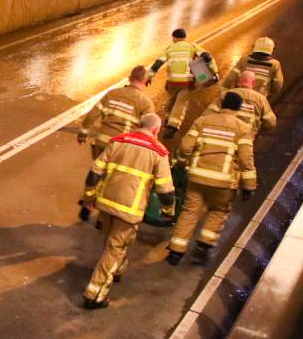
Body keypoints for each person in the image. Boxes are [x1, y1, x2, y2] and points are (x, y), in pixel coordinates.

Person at [81, 114, 176, 309]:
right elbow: (166, 190)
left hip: (106, 202)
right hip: (130, 210)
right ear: (156, 131)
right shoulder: (159, 153)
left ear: (138, 125)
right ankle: (94, 294)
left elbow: (94, 172)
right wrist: (169, 210)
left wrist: (89, 197)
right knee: (114, 248)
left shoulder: (118, 142)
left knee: (112, 243)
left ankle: (117, 269)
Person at [166, 92, 257, 266]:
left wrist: (182, 163)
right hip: (224, 183)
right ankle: (202, 247)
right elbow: (246, 159)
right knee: (218, 211)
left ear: (222, 104)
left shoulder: (203, 121)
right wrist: (248, 186)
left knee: (189, 211)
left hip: (197, 176)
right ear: (238, 108)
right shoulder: (242, 128)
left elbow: (185, 146)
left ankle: (175, 252)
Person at [77, 66, 156, 220]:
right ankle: (101, 219)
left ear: (129, 77)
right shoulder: (146, 103)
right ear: (146, 81)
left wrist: (83, 134)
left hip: (101, 142)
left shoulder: (112, 93)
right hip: (122, 146)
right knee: (112, 180)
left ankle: (88, 204)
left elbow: (92, 115)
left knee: (97, 173)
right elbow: (148, 130)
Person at [148, 28, 212, 139]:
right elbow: (207, 56)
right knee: (180, 103)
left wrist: (149, 77)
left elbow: (158, 63)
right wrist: (210, 72)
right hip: (187, 82)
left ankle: (169, 119)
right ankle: (173, 127)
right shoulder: (193, 46)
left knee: (171, 102)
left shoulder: (169, 48)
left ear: (174, 37)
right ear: (184, 38)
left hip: (172, 82)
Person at [199, 70, 276, 139]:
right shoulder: (261, 99)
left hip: (225, 134)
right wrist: (257, 126)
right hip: (246, 137)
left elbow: (208, 114)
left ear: (239, 81)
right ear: (253, 83)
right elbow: (271, 123)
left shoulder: (225, 94)